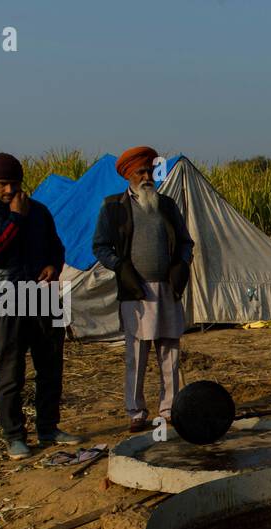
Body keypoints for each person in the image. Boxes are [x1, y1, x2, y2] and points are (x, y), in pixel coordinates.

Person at [0, 152, 80, 460]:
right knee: (11, 372)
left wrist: (53, 267)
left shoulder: (39, 211)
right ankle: (14, 435)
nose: (10, 190)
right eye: (3, 184)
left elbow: (57, 247)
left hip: (43, 296)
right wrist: (16, 218)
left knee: (51, 367)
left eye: (14, 183)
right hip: (8, 298)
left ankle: (49, 428)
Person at [92, 145, 194, 432]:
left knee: (169, 353)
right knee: (136, 354)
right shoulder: (113, 207)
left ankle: (170, 410)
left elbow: (186, 242)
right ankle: (136, 413)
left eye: (149, 170)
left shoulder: (167, 205)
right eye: (141, 171)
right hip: (135, 290)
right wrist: (120, 267)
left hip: (167, 288)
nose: (147, 176)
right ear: (129, 175)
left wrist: (182, 265)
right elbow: (100, 246)